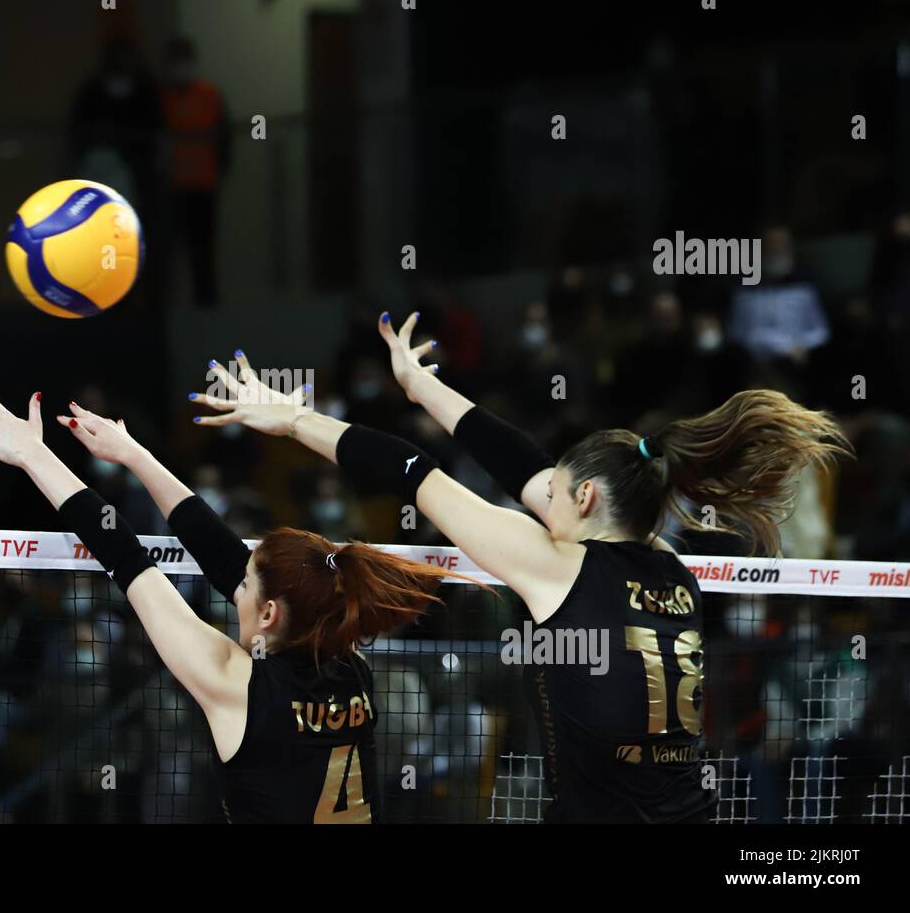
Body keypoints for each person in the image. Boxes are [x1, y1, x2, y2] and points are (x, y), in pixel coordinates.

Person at [190, 314, 853, 822]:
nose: (541, 501)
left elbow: (410, 469)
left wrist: (296, 419)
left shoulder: (556, 566)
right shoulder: (669, 566)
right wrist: (425, 388)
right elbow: (524, 465)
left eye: (556, 493)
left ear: (587, 498)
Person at [0, 389, 463, 823]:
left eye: (247, 583)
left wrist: (34, 455)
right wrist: (133, 454)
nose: (234, 583)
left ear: (268, 615)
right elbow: (222, 556)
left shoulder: (233, 683)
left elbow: (128, 559)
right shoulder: (350, 665)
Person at [160, 36, 232, 306]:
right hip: (172, 187)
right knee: (169, 252)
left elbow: (224, 138)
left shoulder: (209, 95)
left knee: (203, 250)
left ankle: (206, 304)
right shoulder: (161, 98)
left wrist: (221, 171)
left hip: (204, 185)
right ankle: (168, 307)